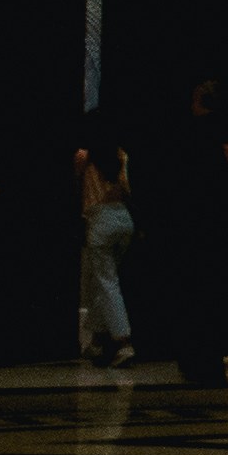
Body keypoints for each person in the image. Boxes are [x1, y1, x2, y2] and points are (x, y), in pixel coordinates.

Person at [75, 140, 135, 368]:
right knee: (107, 281)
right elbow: (126, 187)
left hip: (99, 217)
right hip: (123, 218)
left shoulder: (83, 155)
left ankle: (123, 341)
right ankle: (97, 339)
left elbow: (78, 188)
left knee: (105, 281)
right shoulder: (121, 153)